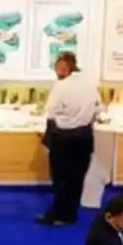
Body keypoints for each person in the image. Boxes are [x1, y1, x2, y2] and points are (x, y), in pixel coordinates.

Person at [38, 51, 100, 226]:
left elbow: (50, 111)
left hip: (64, 137)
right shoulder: (89, 84)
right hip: (85, 137)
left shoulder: (61, 86)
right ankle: (71, 214)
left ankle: (58, 214)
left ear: (66, 68)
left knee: (61, 179)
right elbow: (98, 108)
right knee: (77, 178)